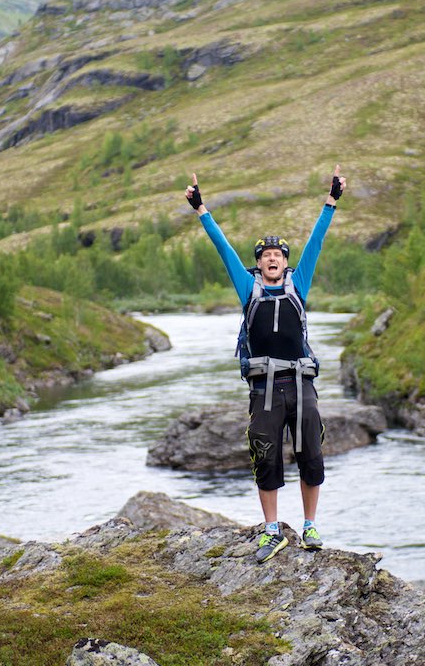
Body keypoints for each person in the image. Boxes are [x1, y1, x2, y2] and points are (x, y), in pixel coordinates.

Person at [185, 165, 347, 563]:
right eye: (266, 256)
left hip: (301, 385)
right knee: (265, 455)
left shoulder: (298, 284)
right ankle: (272, 531)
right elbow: (223, 248)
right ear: (258, 264)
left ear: (285, 263)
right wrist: (201, 209)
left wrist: (331, 201)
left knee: (311, 455)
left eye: (277, 255)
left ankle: (310, 527)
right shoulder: (248, 288)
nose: (272, 258)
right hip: (264, 388)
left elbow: (316, 242)